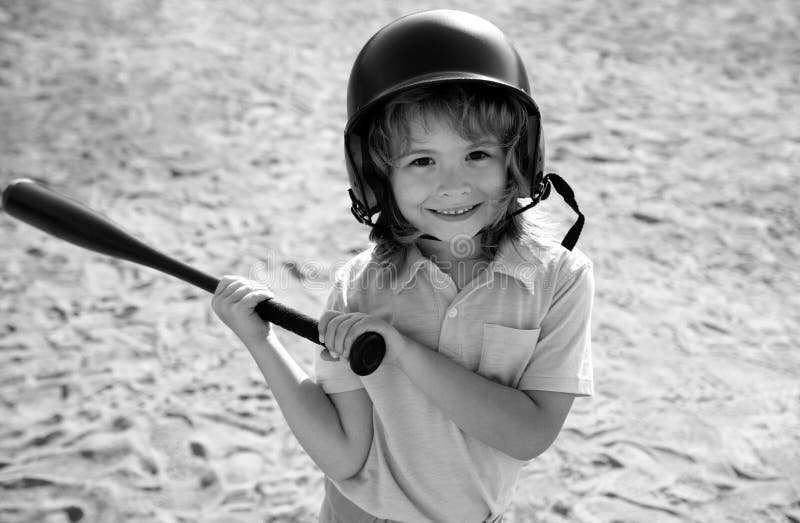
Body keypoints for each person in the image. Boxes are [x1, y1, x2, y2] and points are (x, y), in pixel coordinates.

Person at [212, 9, 593, 523]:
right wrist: (261, 342)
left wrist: (403, 352)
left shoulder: (559, 279)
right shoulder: (361, 287)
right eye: (421, 161)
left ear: (518, 157)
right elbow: (343, 455)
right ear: (377, 178)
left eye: (478, 154)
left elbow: (528, 435)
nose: (453, 185)